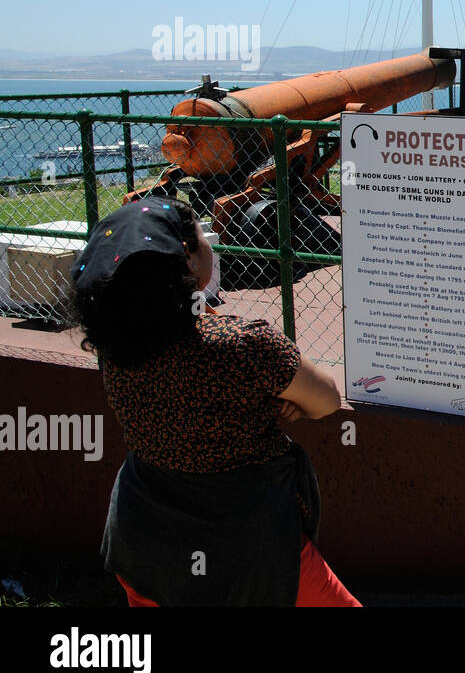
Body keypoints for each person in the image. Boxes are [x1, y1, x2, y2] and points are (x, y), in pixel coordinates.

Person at [68, 196, 360, 606]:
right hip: (249, 543)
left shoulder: (112, 347)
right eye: (200, 236)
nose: (209, 241)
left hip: (143, 534)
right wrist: (275, 399)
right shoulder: (243, 344)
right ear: (185, 261)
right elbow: (326, 400)